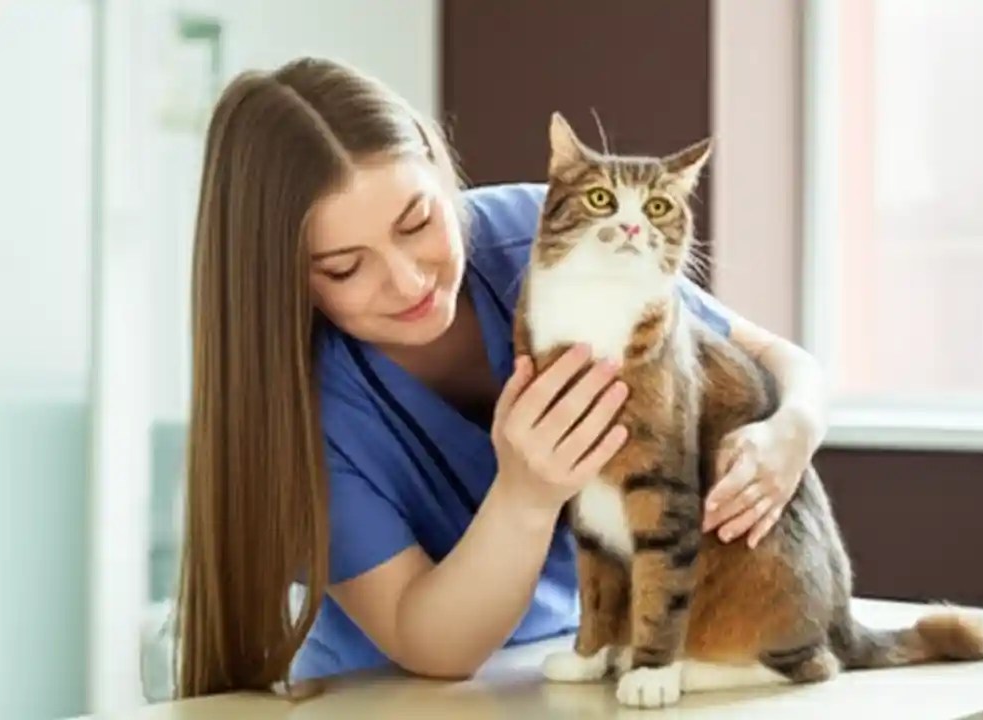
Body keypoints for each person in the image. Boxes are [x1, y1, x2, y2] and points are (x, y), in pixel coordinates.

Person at [174, 56, 828, 699]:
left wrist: (793, 427)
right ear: (284, 277)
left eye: (418, 222)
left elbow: (775, 358)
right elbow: (431, 647)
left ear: (439, 167)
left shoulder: (545, 236)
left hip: (560, 670)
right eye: (345, 268)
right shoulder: (302, 404)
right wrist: (527, 494)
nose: (408, 282)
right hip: (382, 696)